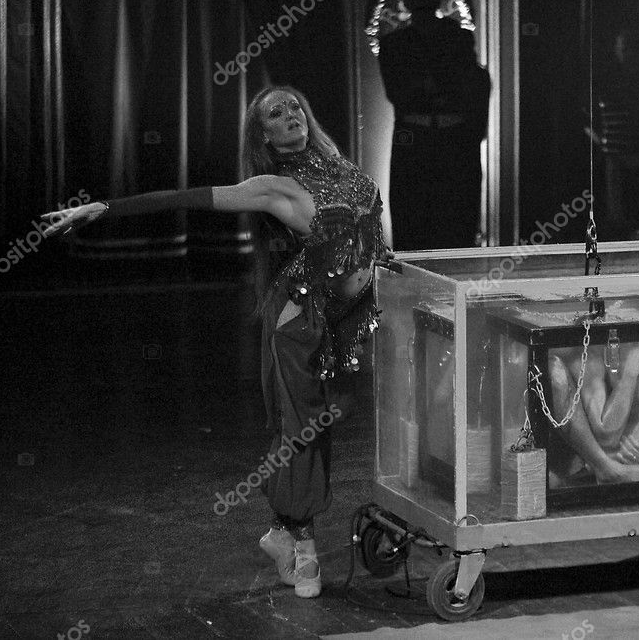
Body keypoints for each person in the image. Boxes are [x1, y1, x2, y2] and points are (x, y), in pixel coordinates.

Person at [41, 85, 390, 599]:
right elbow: (190, 198)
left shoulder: (338, 163)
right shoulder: (273, 185)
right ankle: (305, 549)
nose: (291, 115)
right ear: (263, 133)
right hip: (301, 324)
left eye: (295, 105)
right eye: (277, 112)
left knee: (325, 420)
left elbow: (372, 237)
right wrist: (103, 208)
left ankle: (278, 531)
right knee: (302, 430)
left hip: (343, 322)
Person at [378, 0, 490, 250]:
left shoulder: (458, 37)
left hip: (451, 140)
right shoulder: (394, 44)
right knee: (414, 222)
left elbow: (472, 84)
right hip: (416, 140)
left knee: (455, 222)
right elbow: (398, 93)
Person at [545, 342, 639, 486]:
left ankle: (608, 467)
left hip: (590, 469)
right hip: (562, 460)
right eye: (632, 401)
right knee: (555, 371)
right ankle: (606, 469)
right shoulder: (592, 359)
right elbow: (606, 435)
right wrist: (629, 375)